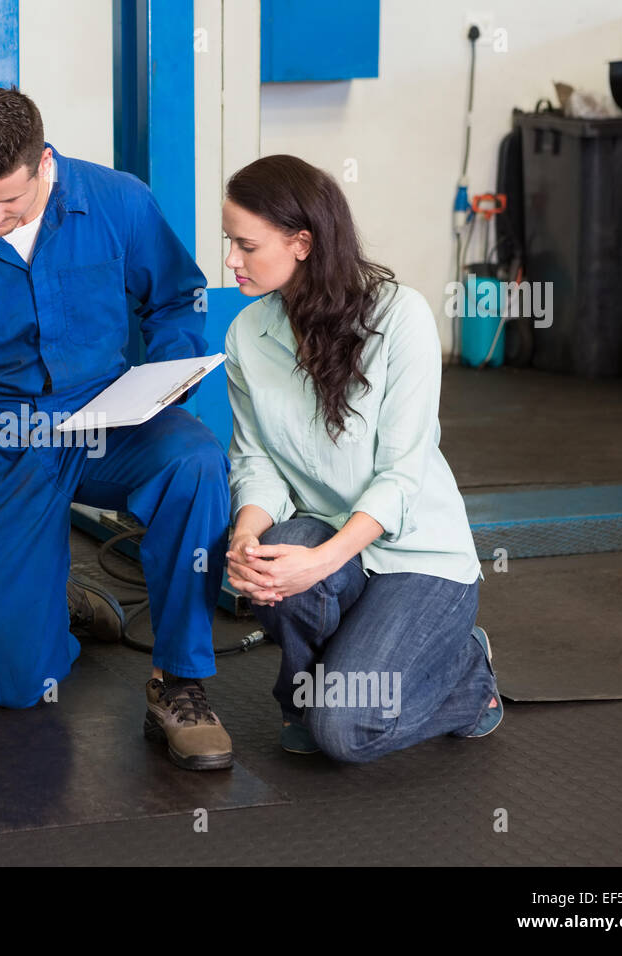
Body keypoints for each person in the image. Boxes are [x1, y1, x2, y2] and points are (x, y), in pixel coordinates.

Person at [0, 87, 234, 770]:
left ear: (44, 163)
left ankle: (180, 680)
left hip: (110, 412)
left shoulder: (117, 201)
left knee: (193, 461)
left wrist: (163, 382)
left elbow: (175, 296)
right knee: (15, 687)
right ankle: (40, 595)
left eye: (10, 200)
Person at [221, 154, 501, 762]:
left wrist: (317, 562)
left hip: (418, 558)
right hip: (329, 542)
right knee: (278, 555)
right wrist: (247, 537)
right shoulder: (246, 334)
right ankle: (309, 695)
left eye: (245, 245)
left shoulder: (401, 317)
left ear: (302, 243)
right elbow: (256, 460)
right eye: (229, 242)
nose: (231, 260)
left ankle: (468, 680)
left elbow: (402, 475)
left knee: (344, 735)